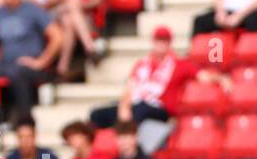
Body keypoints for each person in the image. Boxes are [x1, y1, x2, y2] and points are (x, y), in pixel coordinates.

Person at [89, 25, 232, 128]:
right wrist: (124, 106)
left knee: (140, 109)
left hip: (160, 108)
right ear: (153, 42)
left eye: (165, 41)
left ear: (169, 43)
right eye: (159, 40)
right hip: (137, 104)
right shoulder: (142, 64)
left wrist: (221, 78)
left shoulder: (179, 64)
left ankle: (128, 136)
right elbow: (129, 89)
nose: (161, 44)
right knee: (96, 114)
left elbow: (203, 76)